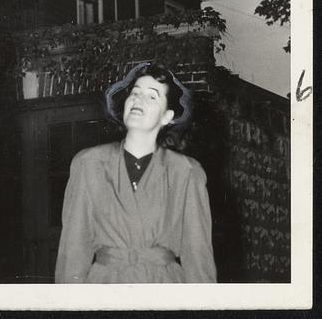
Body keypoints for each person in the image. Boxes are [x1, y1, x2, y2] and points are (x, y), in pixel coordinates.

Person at [54, 61, 216, 283]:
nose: (138, 99)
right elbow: (72, 252)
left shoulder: (186, 172)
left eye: (152, 96)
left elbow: (199, 258)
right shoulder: (88, 164)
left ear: (166, 117)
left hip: (164, 290)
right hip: (105, 289)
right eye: (135, 93)